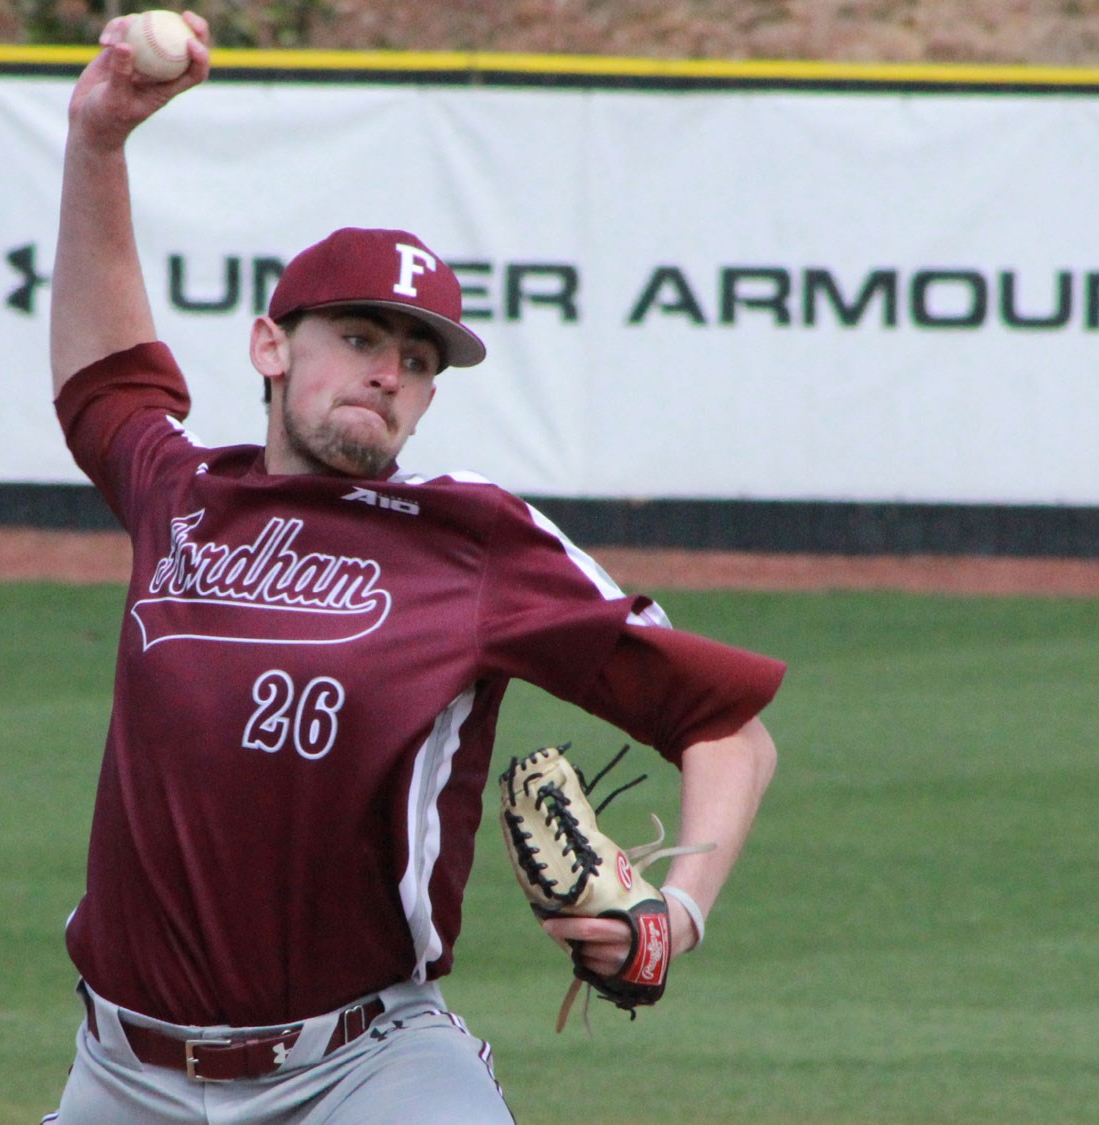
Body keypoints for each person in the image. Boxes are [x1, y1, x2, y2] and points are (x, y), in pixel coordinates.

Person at [42, 13, 786, 1123]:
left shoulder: (474, 543)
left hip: (364, 1071)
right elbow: (106, 382)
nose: (387, 372)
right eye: (356, 336)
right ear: (270, 346)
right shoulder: (181, 496)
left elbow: (728, 729)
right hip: (121, 1074)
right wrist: (96, 144)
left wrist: (671, 920)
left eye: (416, 358)